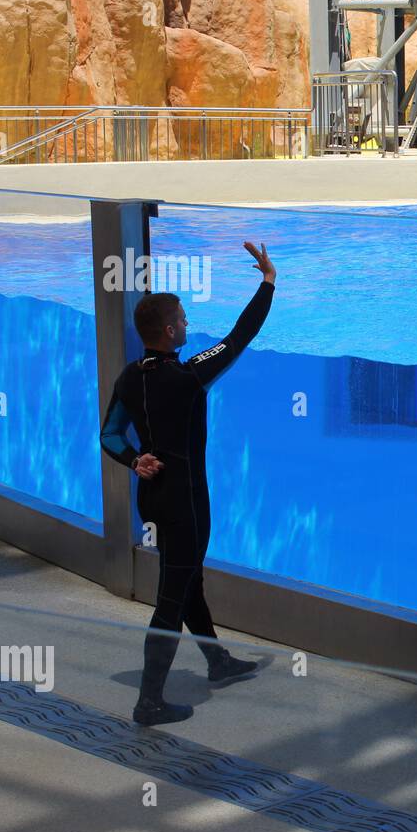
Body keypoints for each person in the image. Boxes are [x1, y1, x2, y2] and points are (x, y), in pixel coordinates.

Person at [99, 242, 276, 726]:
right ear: (171, 330)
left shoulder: (131, 376)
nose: (186, 320)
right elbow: (239, 337)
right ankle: (148, 701)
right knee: (171, 598)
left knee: (186, 575)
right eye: (181, 316)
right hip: (186, 501)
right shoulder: (188, 376)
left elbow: (109, 436)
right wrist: (268, 282)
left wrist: (136, 461)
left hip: (153, 498)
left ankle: (216, 660)